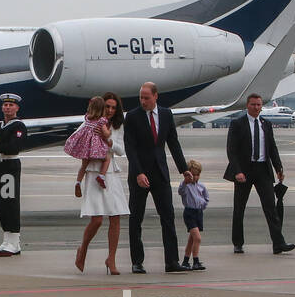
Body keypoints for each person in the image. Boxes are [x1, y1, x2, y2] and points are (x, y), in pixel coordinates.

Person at [123, 82, 193, 273]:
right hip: (140, 174)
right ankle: (137, 261)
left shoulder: (166, 114)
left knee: (168, 216)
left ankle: (171, 262)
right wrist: (138, 173)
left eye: (146, 97)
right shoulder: (132, 116)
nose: (143, 101)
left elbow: (173, 143)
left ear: (156, 96)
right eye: (141, 98)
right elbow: (130, 148)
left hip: (160, 173)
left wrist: (183, 168)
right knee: (136, 218)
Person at [224, 94, 295, 255]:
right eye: (253, 105)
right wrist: (237, 171)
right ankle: (238, 243)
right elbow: (231, 150)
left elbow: (272, 148)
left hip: (263, 170)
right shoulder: (238, 124)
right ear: (247, 106)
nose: (256, 107)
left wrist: (279, 168)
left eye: (258, 105)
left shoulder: (266, 124)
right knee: (239, 208)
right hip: (244, 171)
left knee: (270, 207)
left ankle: (278, 243)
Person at [72, 91, 130, 274]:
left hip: (110, 171)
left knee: (115, 216)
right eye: (108, 107)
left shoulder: (117, 125)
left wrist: (108, 138)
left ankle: (111, 259)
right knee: (96, 219)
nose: (111, 110)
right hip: (93, 170)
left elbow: (121, 150)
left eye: (114, 107)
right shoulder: (90, 121)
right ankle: (83, 249)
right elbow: (78, 138)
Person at [0, 93, 27, 255]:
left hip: (10, 165)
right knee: (1, 203)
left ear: (17, 108)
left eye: (11, 105)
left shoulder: (18, 126)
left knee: (10, 202)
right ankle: (7, 239)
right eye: (5, 105)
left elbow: (13, 147)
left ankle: (14, 241)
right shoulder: (0, 125)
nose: (7, 108)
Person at [64, 97, 111, 198]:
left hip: (85, 147)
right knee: (107, 159)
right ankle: (101, 176)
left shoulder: (87, 117)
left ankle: (78, 182)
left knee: (83, 166)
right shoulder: (101, 121)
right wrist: (109, 131)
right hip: (95, 148)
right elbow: (106, 134)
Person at [179, 159, 208, 270]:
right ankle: (195, 260)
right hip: (189, 213)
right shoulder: (186, 186)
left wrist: (203, 204)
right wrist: (185, 181)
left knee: (192, 239)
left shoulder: (201, 186)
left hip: (198, 212)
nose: (195, 177)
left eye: (197, 175)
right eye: (193, 175)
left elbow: (206, 197)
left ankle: (186, 260)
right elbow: (181, 191)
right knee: (197, 238)